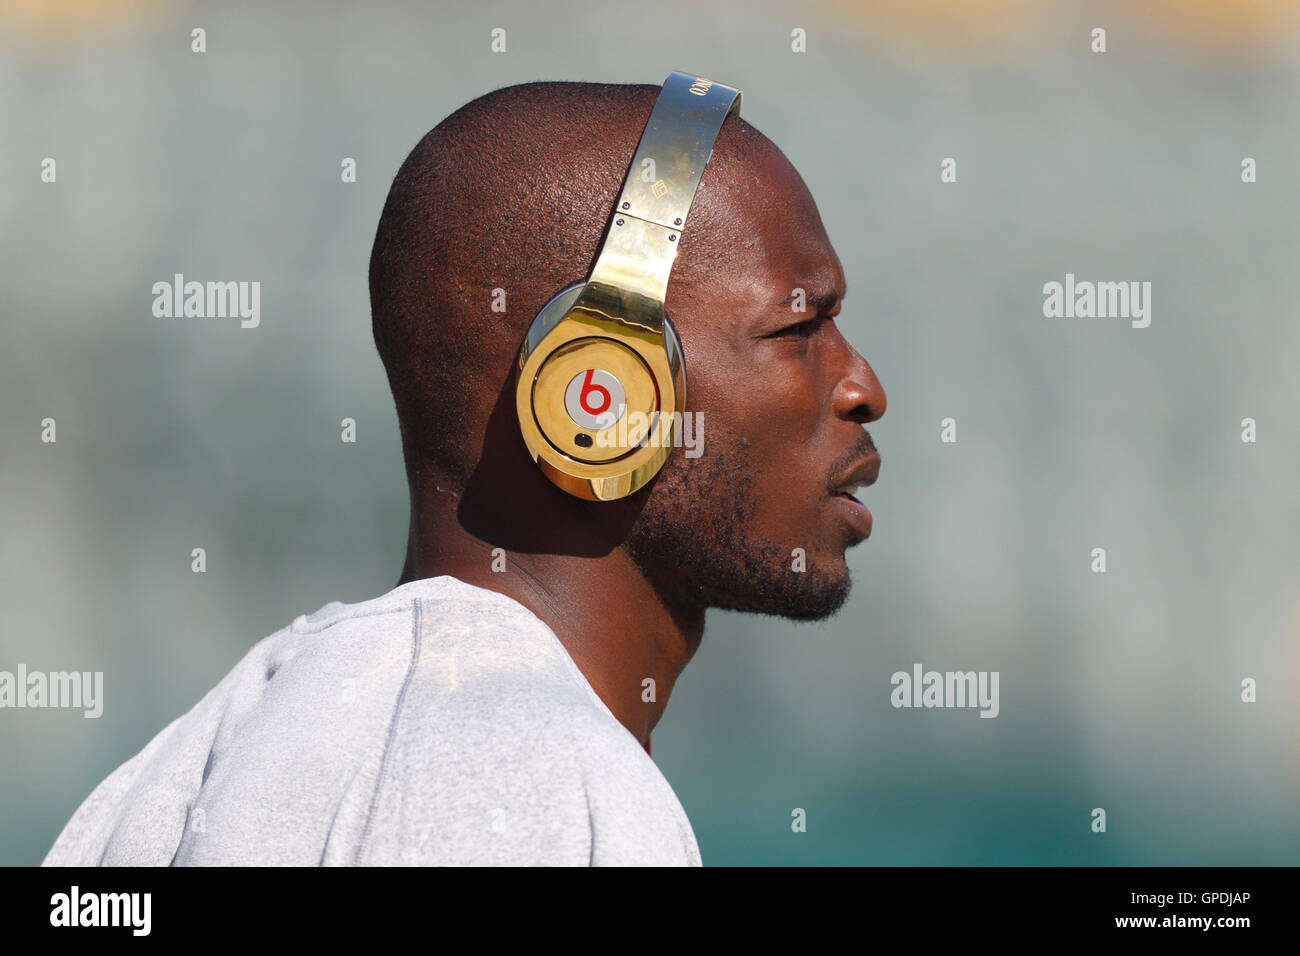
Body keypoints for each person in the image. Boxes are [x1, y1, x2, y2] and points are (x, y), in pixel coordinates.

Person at [42, 76, 885, 867]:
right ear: (597, 387)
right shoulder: (512, 776)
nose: (864, 389)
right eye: (800, 328)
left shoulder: (164, 780)